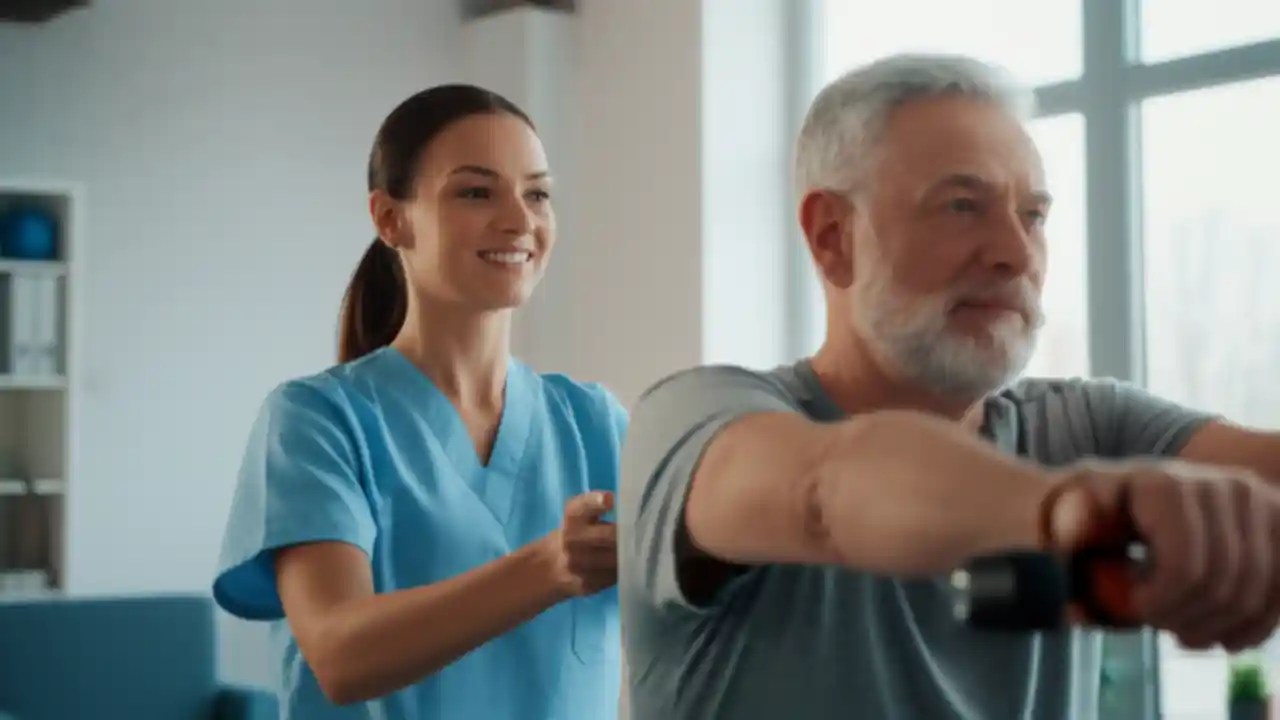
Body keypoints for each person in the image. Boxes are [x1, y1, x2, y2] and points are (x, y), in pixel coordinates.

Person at [617, 53, 1280, 720]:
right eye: (962, 206)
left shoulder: (1088, 427)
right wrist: (1068, 515)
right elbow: (823, 491)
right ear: (832, 237)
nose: (1015, 252)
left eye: (1034, 215)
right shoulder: (693, 420)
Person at [212, 84, 627, 720]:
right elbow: (339, 655)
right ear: (389, 219)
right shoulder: (315, 423)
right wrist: (549, 567)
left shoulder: (596, 423)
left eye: (537, 192)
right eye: (475, 191)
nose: (520, 219)